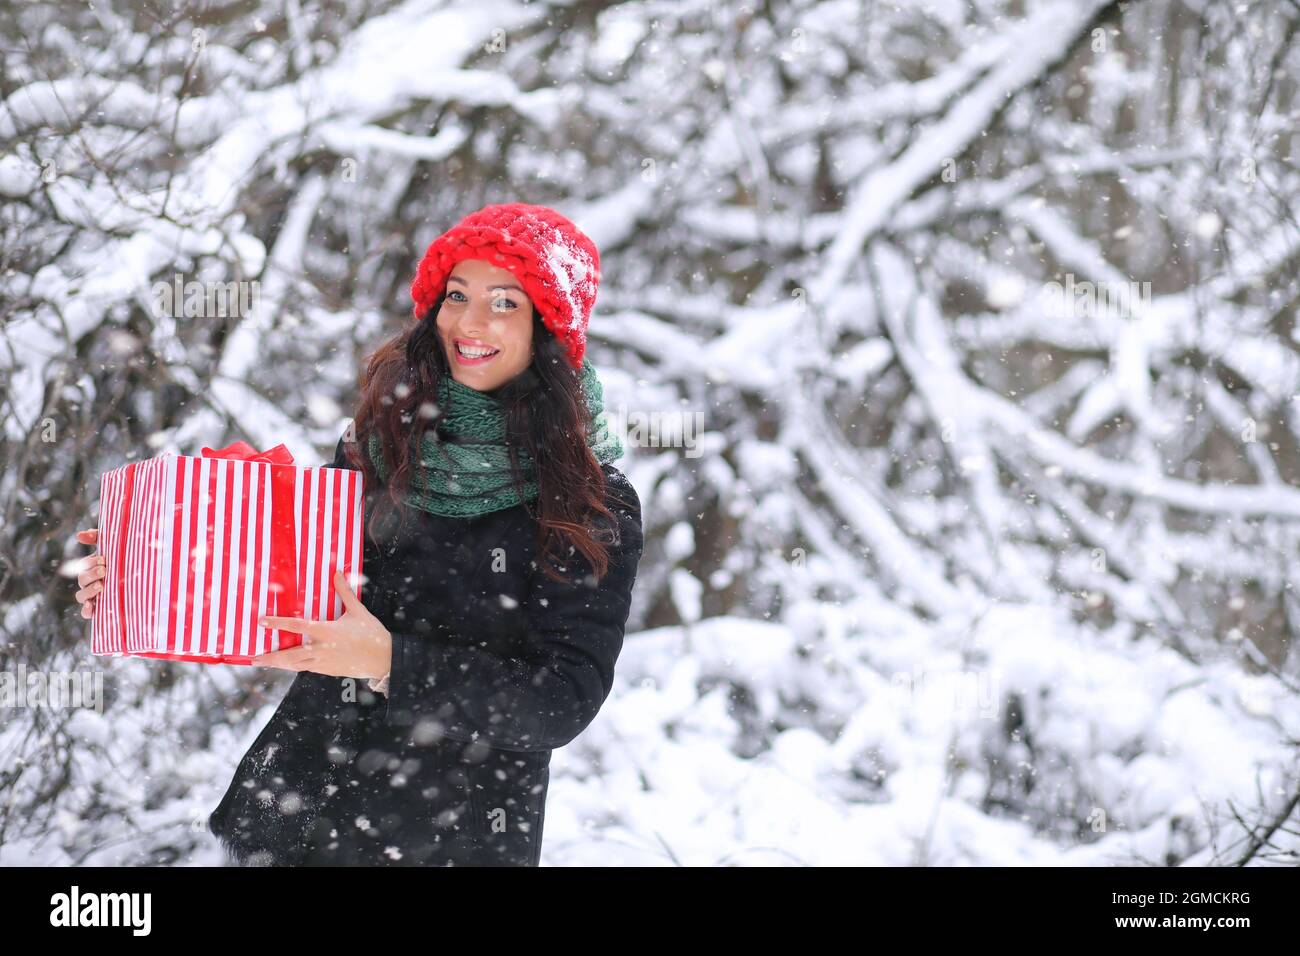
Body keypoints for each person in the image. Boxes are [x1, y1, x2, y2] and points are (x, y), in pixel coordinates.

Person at [71, 202, 645, 866]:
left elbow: (560, 701)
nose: (471, 322)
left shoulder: (589, 502)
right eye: (456, 295)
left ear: (549, 329)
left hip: (447, 835)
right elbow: (279, 576)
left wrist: (387, 661)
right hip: (296, 808)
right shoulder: (387, 441)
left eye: (505, 303)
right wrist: (146, 571)